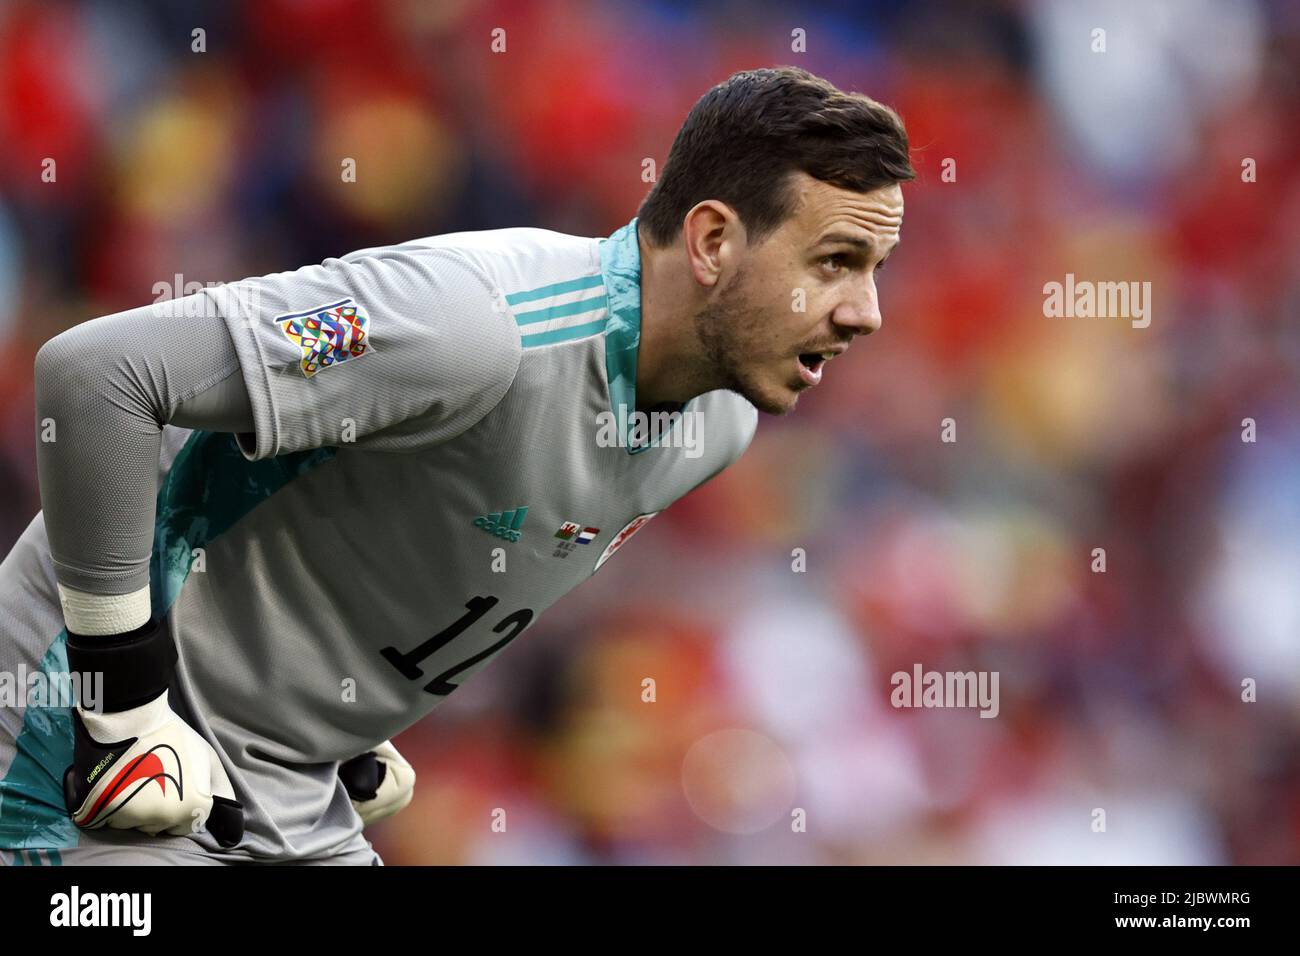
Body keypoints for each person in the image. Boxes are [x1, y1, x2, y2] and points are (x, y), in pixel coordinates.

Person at [0, 65, 912, 865]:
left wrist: (352, 716)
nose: (866, 312)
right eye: (836, 261)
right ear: (713, 241)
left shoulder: (718, 429)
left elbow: (436, 535)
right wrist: (119, 697)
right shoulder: (475, 324)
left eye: (876, 268)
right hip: (73, 758)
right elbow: (97, 378)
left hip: (286, 796)